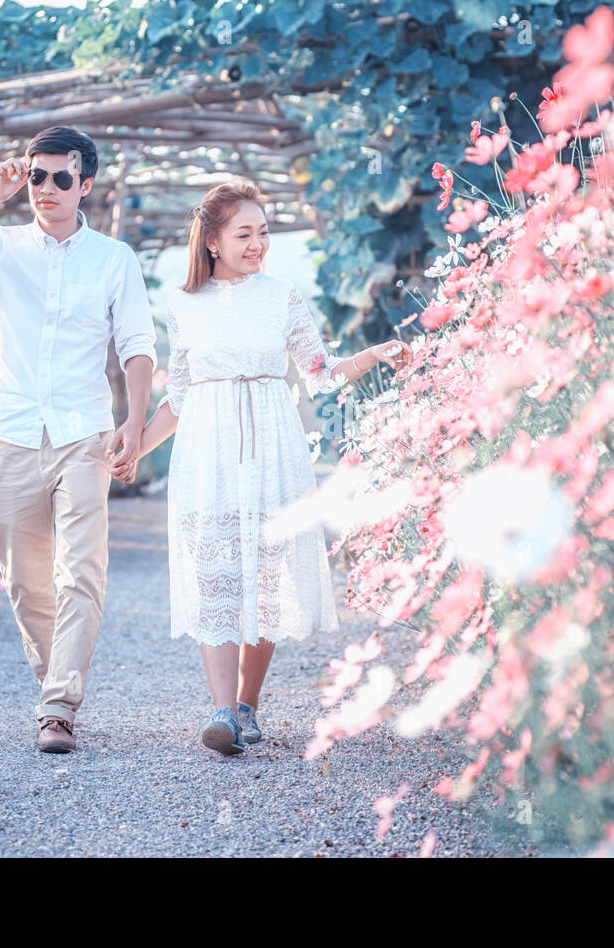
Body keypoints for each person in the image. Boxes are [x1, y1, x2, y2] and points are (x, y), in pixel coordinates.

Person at [113, 181, 411, 755]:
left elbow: (320, 371)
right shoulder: (183, 304)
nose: (258, 244)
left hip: (275, 446)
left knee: (267, 573)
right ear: (214, 243)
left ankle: (248, 703)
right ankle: (222, 712)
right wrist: (136, 451)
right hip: (208, 451)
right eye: (244, 234)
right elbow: (180, 396)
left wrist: (373, 355)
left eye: (263, 232)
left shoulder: (281, 296)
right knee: (215, 571)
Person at [0, 126, 157, 753]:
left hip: (85, 433)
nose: (45, 189)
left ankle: (58, 706)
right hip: (15, 434)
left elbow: (137, 348)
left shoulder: (115, 260)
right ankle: (57, 678)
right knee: (25, 582)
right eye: (36, 175)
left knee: (81, 571)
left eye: (60, 178)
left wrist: (134, 423)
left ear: (85, 185)